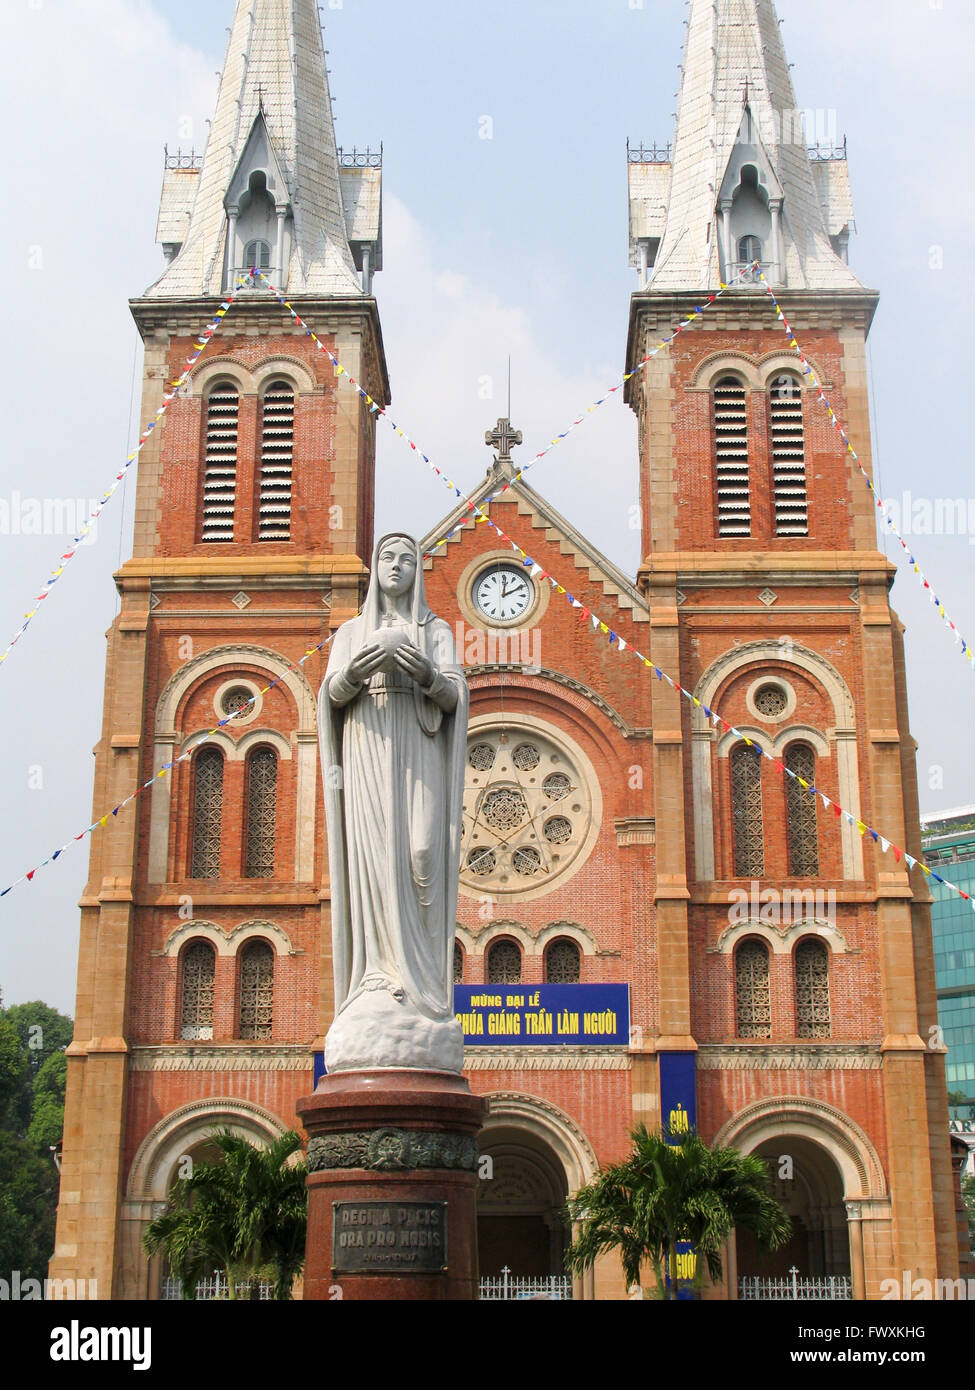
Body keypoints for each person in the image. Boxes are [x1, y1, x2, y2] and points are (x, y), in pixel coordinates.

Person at [317, 533, 469, 1067]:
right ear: (375, 567)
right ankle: (378, 975)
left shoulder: (436, 631)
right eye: (388, 557)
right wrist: (359, 670)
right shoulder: (352, 631)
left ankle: (423, 983)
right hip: (368, 750)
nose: (397, 566)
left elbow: (454, 695)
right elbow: (330, 694)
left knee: (423, 852)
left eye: (408, 559)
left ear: (419, 572)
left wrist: (424, 671)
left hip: (420, 746)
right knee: (376, 863)